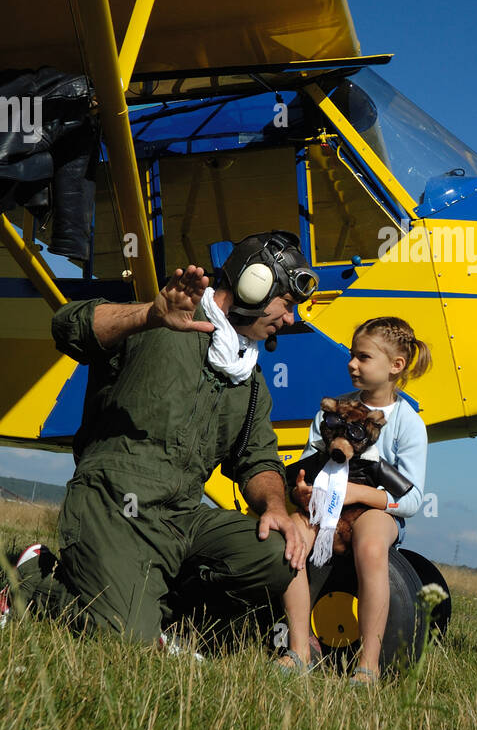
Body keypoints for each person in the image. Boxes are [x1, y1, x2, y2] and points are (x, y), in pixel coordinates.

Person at [0, 231, 317, 649]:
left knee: (277, 556)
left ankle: (154, 609)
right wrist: (147, 315)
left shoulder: (249, 380)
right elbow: (68, 326)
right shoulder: (158, 320)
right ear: (252, 284)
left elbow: (257, 461)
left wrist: (276, 506)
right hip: (113, 500)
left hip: (182, 514)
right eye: (287, 305)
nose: (291, 319)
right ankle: (34, 578)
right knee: (125, 641)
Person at [284, 316, 431, 683]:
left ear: (396, 366)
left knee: (369, 546)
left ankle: (368, 664)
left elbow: (411, 501)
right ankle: (299, 649)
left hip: (375, 512)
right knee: (292, 538)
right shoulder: (331, 411)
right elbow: (310, 463)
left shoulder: (408, 423)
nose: (351, 363)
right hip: (323, 506)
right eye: (352, 355)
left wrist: (359, 494)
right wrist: (301, 492)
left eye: (363, 357)